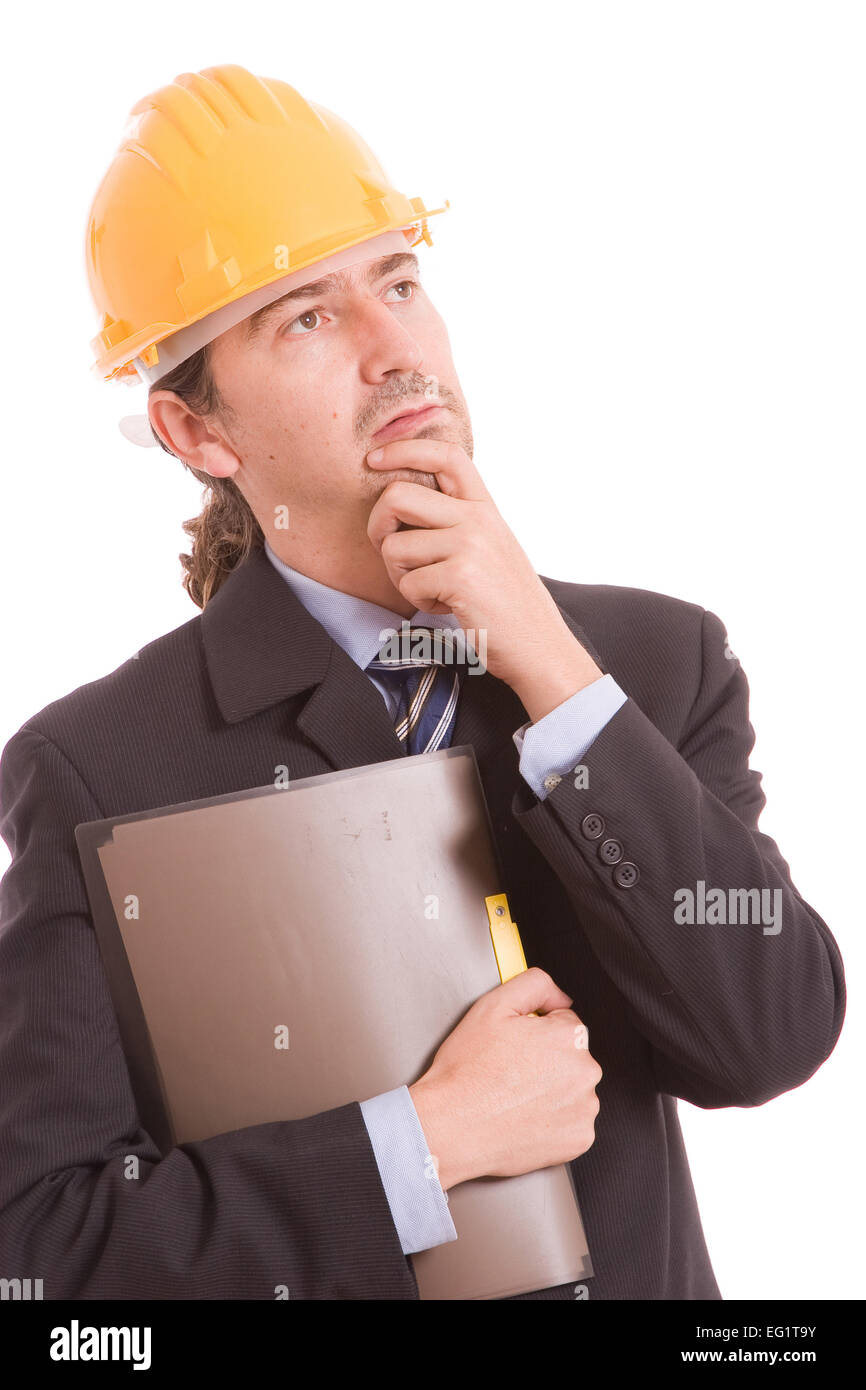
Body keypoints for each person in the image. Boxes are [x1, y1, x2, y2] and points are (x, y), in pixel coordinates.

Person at [0, 64, 845, 1301]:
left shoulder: (653, 665)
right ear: (197, 434)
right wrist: (423, 1143)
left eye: (398, 284)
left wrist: (552, 673)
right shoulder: (105, 766)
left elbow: (766, 1038)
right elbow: (47, 1258)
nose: (396, 350)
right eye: (306, 314)